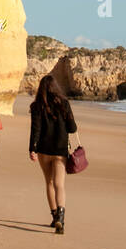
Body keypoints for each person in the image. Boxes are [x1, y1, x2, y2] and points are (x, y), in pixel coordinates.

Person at [28, 74, 76, 234]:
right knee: (59, 184)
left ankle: (55, 217)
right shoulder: (64, 104)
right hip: (60, 150)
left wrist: (32, 149)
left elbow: (35, 129)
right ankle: (61, 218)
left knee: (49, 182)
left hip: (44, 149)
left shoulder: (37, 106)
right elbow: (72, 128)